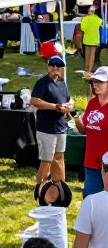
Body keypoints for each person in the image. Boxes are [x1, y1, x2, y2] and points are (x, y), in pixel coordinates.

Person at [30, 55, 73, 188]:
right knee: (46, 161)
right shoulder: (42, 82)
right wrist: (55, 106)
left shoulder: (62, 82)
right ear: (48, 67)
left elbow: (69, 99)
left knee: (59, 158)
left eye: (58, 66)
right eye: (52, 65)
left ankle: (60, 188)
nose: (55, 68)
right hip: (46, 128)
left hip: (61, 126)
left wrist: (69, 106)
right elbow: (34, 101)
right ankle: (40, 189)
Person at [75, 67, 108, 197]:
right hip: (91, 162)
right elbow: (83, 130)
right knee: (90, 201)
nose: (95, 85)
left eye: (100, 82)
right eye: (94, 81)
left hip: (106, 166)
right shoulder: (92, 103)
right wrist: (76, 118)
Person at [81, 2, 103, 74]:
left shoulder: (85, 18)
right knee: (92, 55)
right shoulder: (99, 19)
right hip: (95, 39)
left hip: (87, 38)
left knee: (87, 54)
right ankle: (90, 70)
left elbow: (83, 28)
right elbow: (100, 25)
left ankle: (86, 68)